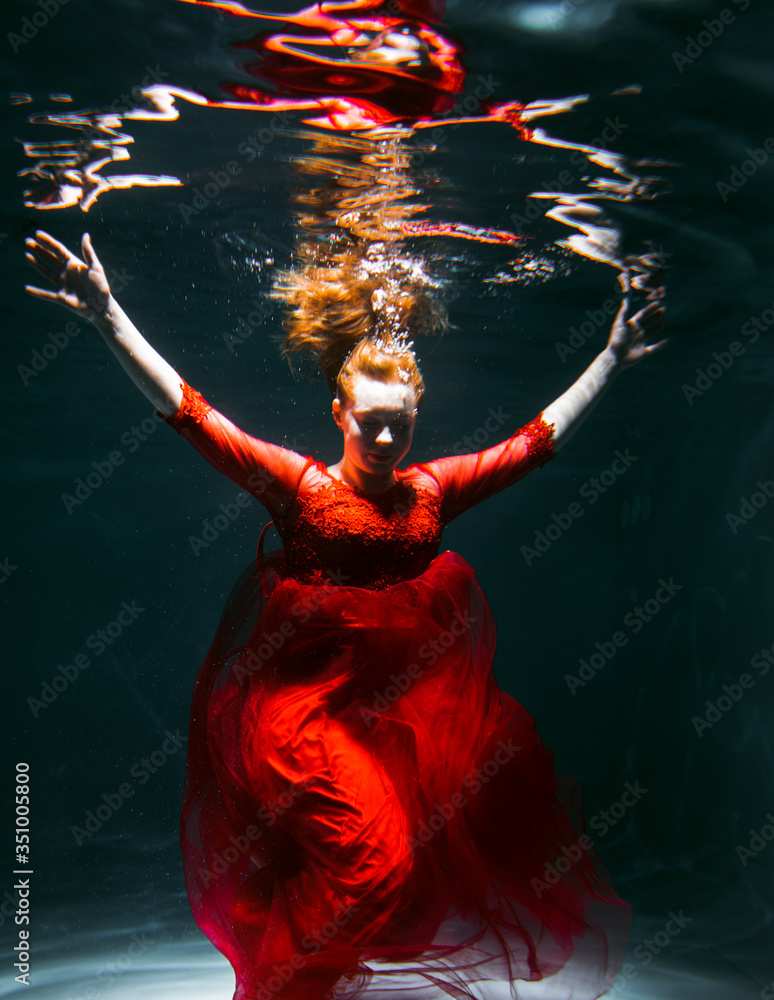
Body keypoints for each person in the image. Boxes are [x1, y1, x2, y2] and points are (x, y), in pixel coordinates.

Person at [25, 228, 665, 1000]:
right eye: (370, 421)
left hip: (394, 718)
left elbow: (534, 443)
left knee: (406, 883)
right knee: (375, 862)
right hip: (297, 713)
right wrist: (107, 314)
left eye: (402, 422)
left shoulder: (429, 493)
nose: (387, 439)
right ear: (339, 411)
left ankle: (293, 966)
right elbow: (193, 415)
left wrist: (610, 356)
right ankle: (282, 980)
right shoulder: (299, 487)